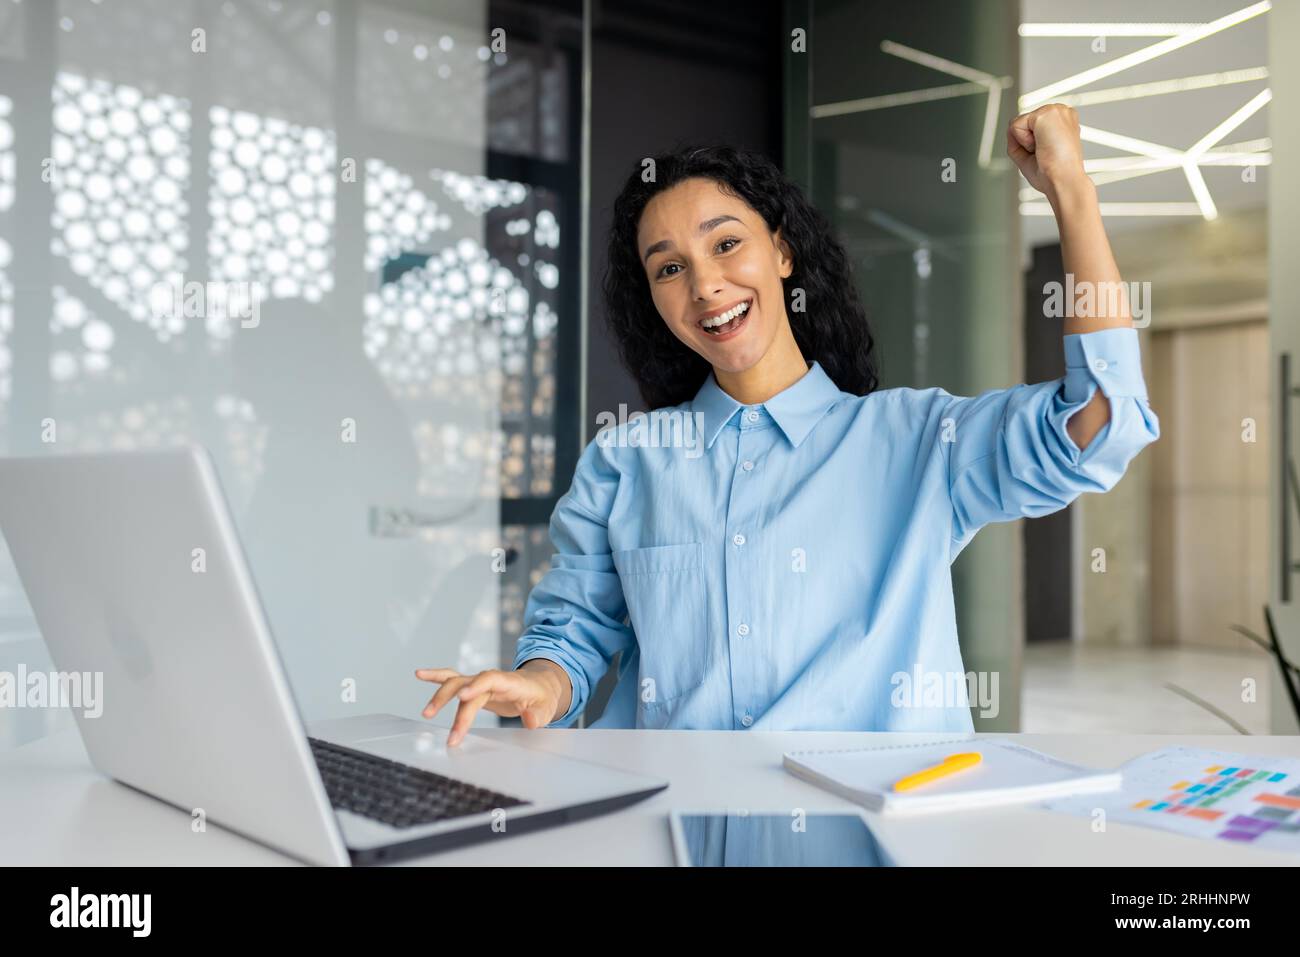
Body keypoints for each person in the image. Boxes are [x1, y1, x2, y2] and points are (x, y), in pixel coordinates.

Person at [416, 104, 1159, 745]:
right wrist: (543, 684)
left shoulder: (914, 443)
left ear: (781, 249)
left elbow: (1098, 421)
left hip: (868, 835)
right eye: (668, 267)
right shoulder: (627, 461)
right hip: (679, 831)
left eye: (726, 242)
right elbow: (574, 633)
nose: (705, 283)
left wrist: (1071, 192)